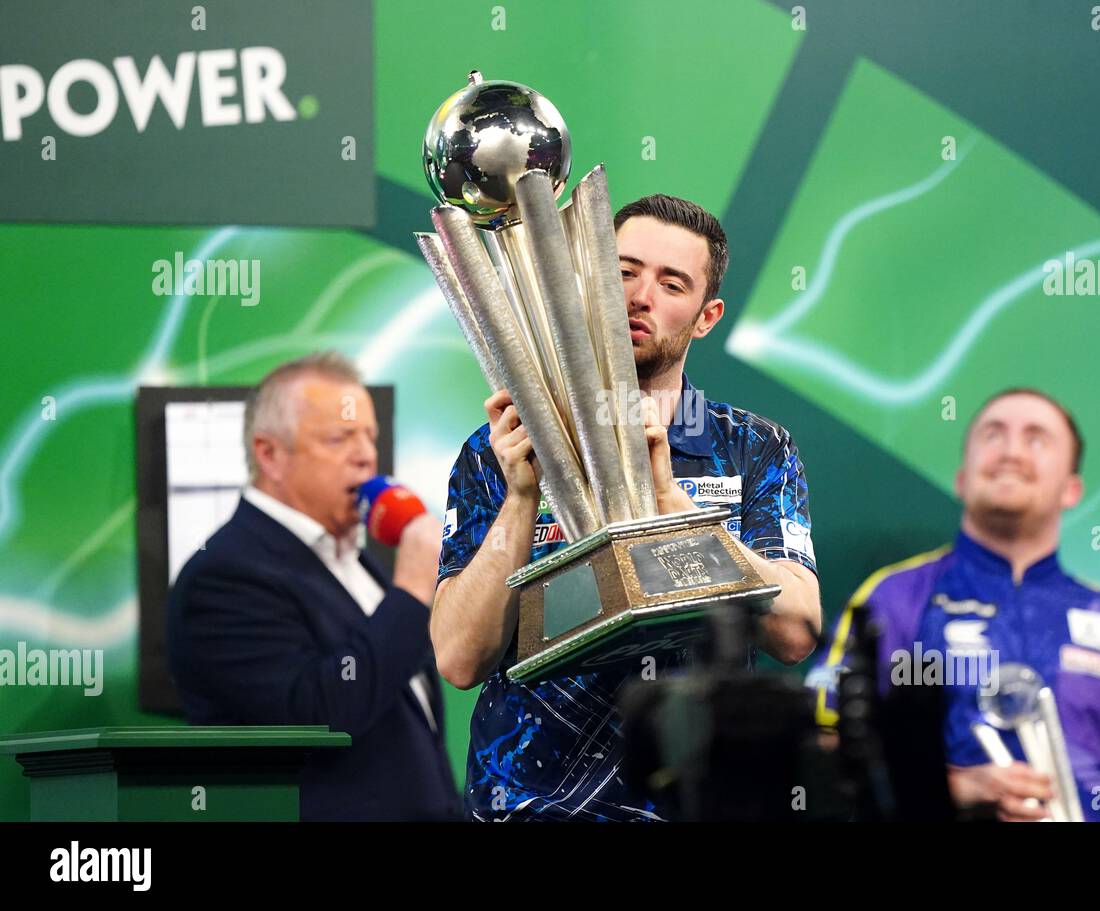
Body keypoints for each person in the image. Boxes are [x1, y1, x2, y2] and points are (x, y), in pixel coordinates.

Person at [433, 195, 823, 820]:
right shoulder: (498, 448)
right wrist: (522, 499)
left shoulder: (753, 446)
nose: (640, 296)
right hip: (529, 809)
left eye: (672, 284)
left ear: (706, 316)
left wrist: (672, 507)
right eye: (623, 271)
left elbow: (798, 631)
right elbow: (458, 658)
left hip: (694, 802)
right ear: (587, 282)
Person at [808, 389, 1100, 821]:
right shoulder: (894, 596)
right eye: (993, 436)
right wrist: (952, 786)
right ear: (962, 477)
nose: (1012, 452)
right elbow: (824, 741)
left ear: (1072, 489)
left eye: (1037, 439)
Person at [167, 352, 461, 820]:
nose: (366, 454)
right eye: (340, 438)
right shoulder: (222, 577)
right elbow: (315, 714)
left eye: (369, 436)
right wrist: (409, 593)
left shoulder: (354, 559)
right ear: (270, 455)